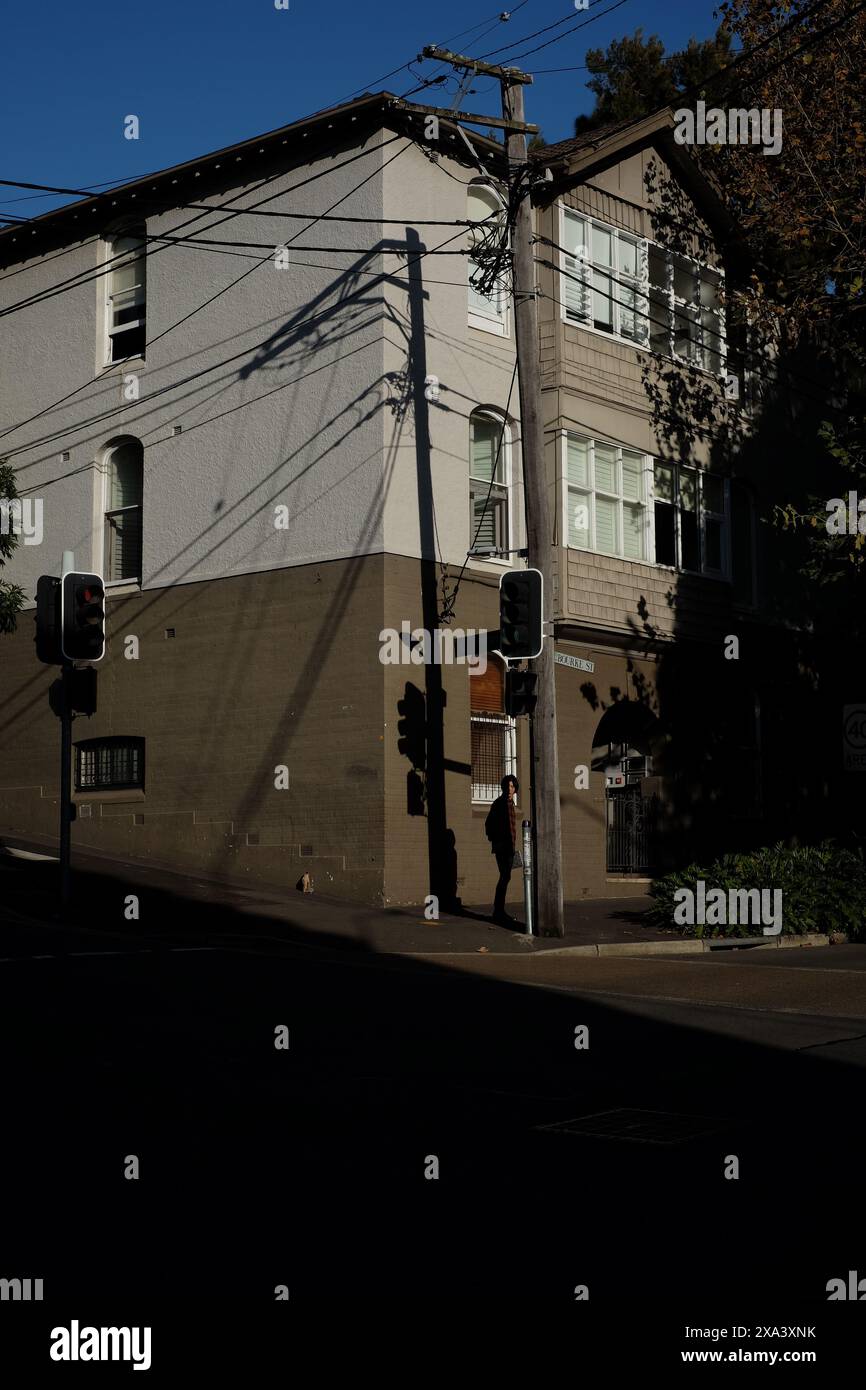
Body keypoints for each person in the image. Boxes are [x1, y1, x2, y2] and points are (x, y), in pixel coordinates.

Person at [485, 775, 521, 926]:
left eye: (512, 787)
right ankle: (498, 911)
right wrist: (498, 840)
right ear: (503, 788)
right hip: (502, 848)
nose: (509, 789)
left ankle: (499, 911)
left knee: (506, 877)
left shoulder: (511, 804)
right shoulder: (499, 804)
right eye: (507, 786)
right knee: (505, 877)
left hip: (510, 847)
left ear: (515, 789)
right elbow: (488, 825)